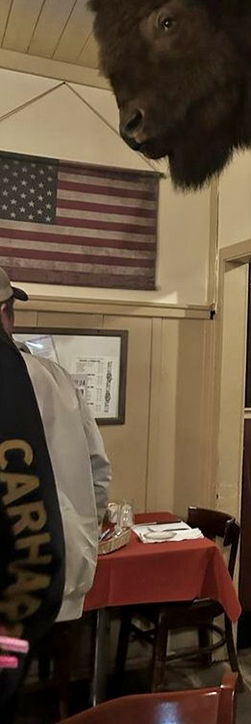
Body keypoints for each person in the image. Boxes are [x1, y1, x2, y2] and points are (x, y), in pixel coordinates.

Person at [0, 267, 111, 722]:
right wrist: (85, 533)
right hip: (60, 568)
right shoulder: (55, 379)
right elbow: (98, 472)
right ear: (5, 313)